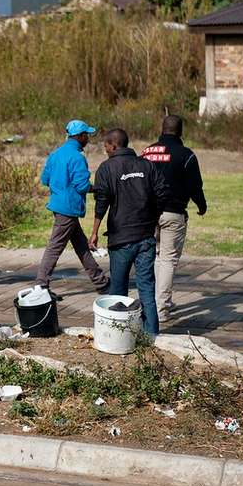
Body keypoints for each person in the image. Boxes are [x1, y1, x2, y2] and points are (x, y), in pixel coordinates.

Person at [89, 128, 169, 335]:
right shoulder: (147, 165)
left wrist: (95, 231)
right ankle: (151, 336)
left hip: (121, 240)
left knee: (118, 291)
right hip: (145, 237)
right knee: (146, 289)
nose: (105, 150)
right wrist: (153, 218)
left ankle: (119, 335)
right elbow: (162, 192)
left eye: (106, 146)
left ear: (113, 146)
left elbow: (101, 203)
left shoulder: (106, 169)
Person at [142, 115, 207, 323]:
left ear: (162, 129)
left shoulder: (147, 152)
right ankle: (161, 309)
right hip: (173, 214)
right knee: (168, 260)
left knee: (156, 257)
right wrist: (201, 205)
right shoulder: (186, 155)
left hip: (148, 213)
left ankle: (156, 303)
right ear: (180, 132)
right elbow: (195, 186)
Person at [35, 119, 109, 293]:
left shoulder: (55, 154)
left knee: (81, 246)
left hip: (58, 205)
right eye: (87, 135)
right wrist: (96, 188)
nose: (88, 139)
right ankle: (41, 283)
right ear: (80, 136)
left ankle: (100, 281)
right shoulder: (77, 158)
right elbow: (82, 185)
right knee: (55, 247)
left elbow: (45, 179)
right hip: (68, 209)